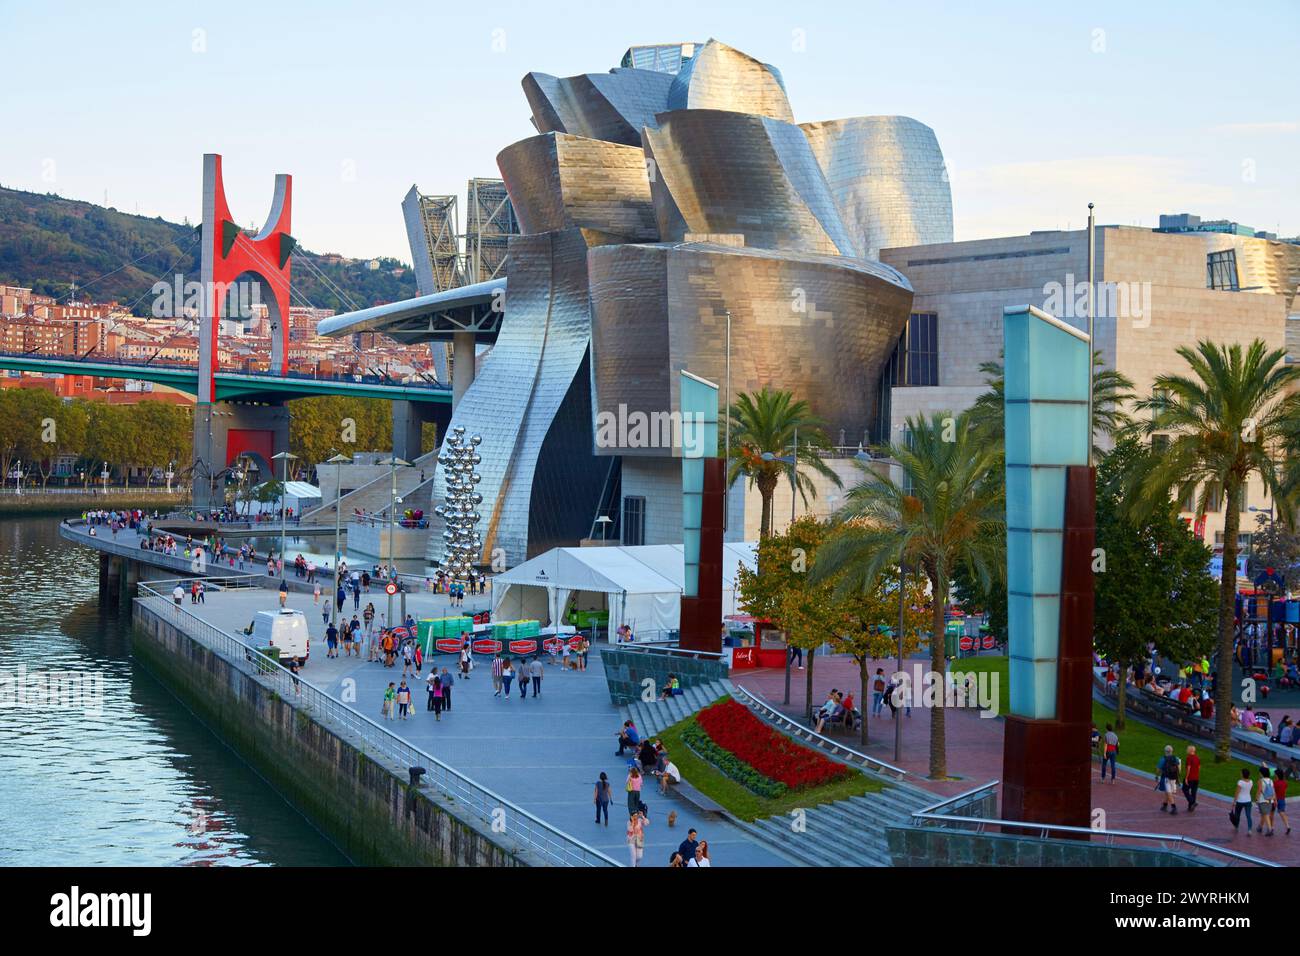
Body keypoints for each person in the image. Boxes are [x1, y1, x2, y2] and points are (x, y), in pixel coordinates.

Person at [1158, 745, 1180, 814]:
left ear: (1165, 751)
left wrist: (1156, 775)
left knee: (1169, 792)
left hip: (1166, 777)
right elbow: (1179, 768)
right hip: (1174, 777)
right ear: (1172, 751)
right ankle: (1165, 805)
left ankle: (1174, 807)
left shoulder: (1163, 759)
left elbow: (1158, 769)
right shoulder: (1176, 758)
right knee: (1167, 792)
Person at [1232, 769, 1254, 834]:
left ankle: (1236, 826)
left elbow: (1237, 792)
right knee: (1248, 815)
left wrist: (1234, 801)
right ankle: (1249, 829)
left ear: (1242, 774)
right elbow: (1250, 791)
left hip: (1240, 801)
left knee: (1237, 814)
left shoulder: (1240, 782)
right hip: (1248, 800)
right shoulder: (1251, 782)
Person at [1257, 765, 1277, 836]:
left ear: (1262, 773)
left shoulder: (1260, 781)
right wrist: (1274, 799)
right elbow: (1273, 790)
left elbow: (1259, 790)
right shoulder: (1271, 781)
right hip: (1270, 800)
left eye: (1260, 772)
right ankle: (1260, 827)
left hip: (1263, 800)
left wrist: (1256, 798)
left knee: (1265, 814)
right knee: (1264, 814)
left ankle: (1269, 829)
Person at [1182, 745, 1200, 812]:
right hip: (1196, 778)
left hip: (1190, 778)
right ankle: (1191, 807)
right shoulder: (1197, 758)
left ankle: (1192, 802)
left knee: (1185, 790)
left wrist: (1186, 778)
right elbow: (1198, 767)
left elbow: (1188, 768)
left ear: (1189, 750)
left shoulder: (1189, 758)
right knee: (1194, 792)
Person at [1275, 770, 1291, 835]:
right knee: (1282, 812)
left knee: (1270, 813)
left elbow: (1274, 792)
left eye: (1275, 774)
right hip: (1282, 799)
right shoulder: (1285, 783)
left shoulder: (1275, 783)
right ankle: (1287, 825)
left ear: (1277, 775)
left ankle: (1270, 828)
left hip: (1276, 799)